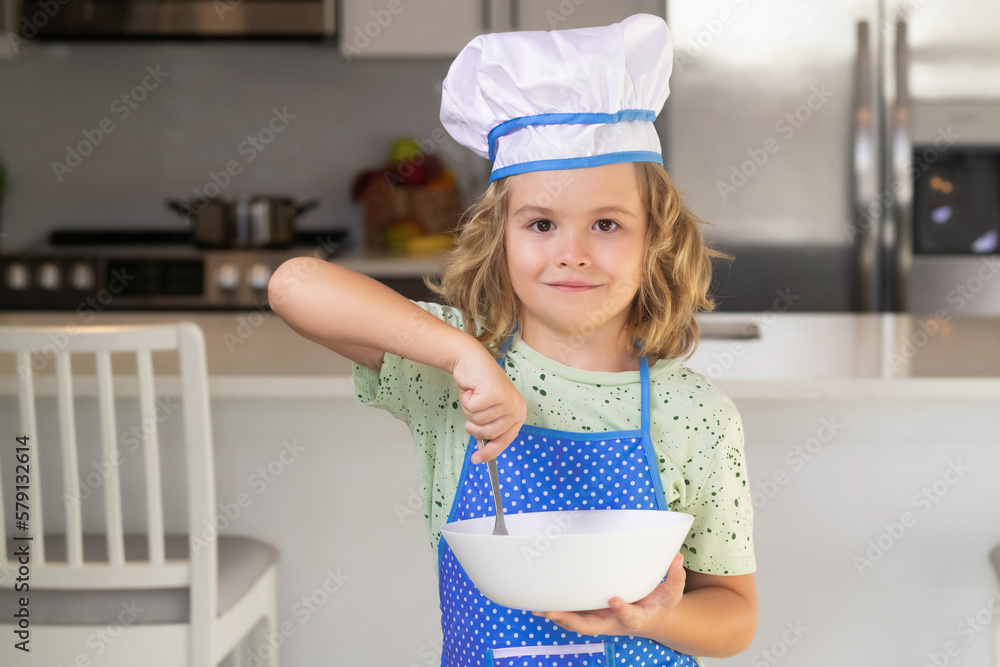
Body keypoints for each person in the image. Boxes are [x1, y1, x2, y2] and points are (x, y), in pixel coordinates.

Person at [269, 13, 757, 667]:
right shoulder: (447, 374)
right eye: (541, 224)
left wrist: (662, 617)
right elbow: (293, 284)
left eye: (607, 224)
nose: (572, 252)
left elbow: (735, 614)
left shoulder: (697, 415)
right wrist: (462, 354)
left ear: (656, 241)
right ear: (499, 238)